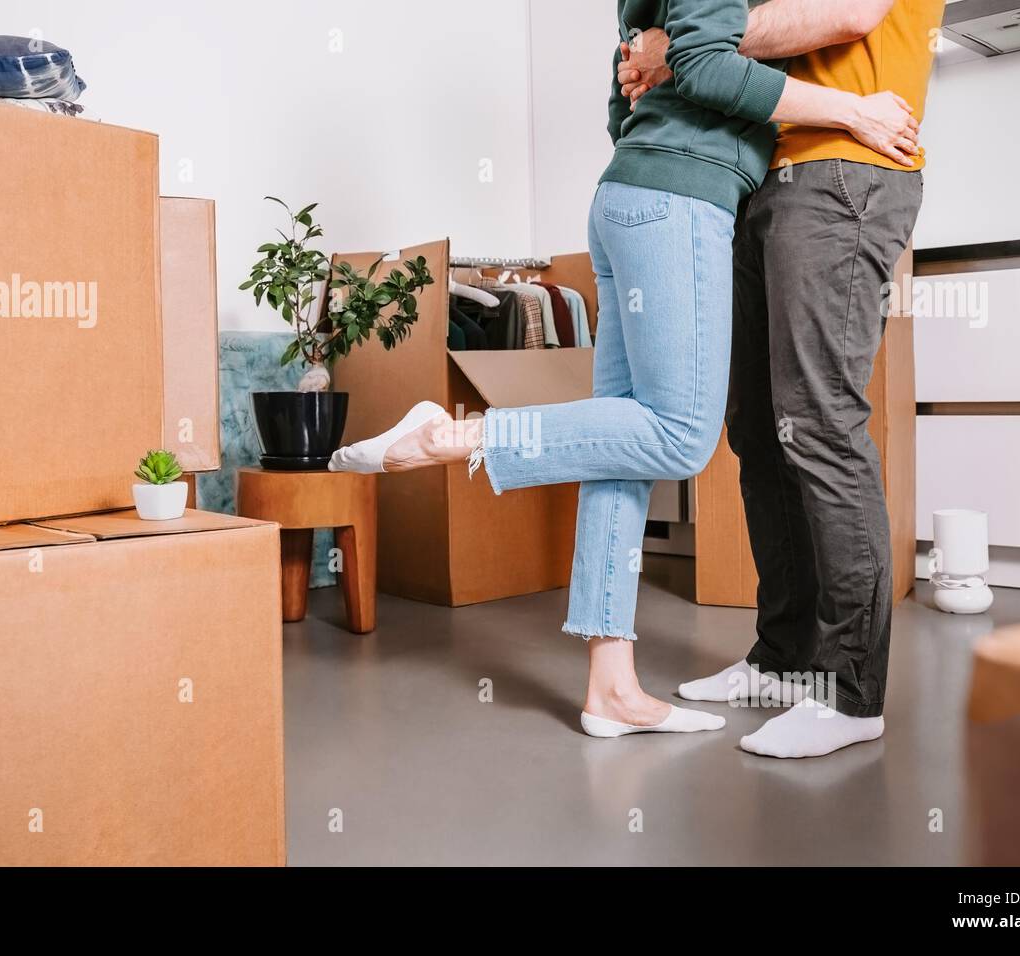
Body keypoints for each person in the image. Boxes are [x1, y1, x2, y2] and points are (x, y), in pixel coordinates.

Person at [329, 0, 917, 739]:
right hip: (679, 202)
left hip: (630, 198)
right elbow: (707, 60)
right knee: (677, 436)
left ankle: (611, 686)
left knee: (624, 448)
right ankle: (456, 438)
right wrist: (846, 111)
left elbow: (626, 94)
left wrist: (659, 84)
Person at [618, 0, 945, 757]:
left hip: (847, 172)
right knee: (761, 431)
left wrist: (675, 45)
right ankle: (786, 660)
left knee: (821, 422)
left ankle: (850, 690)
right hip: (772, 179)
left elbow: (851, 14)